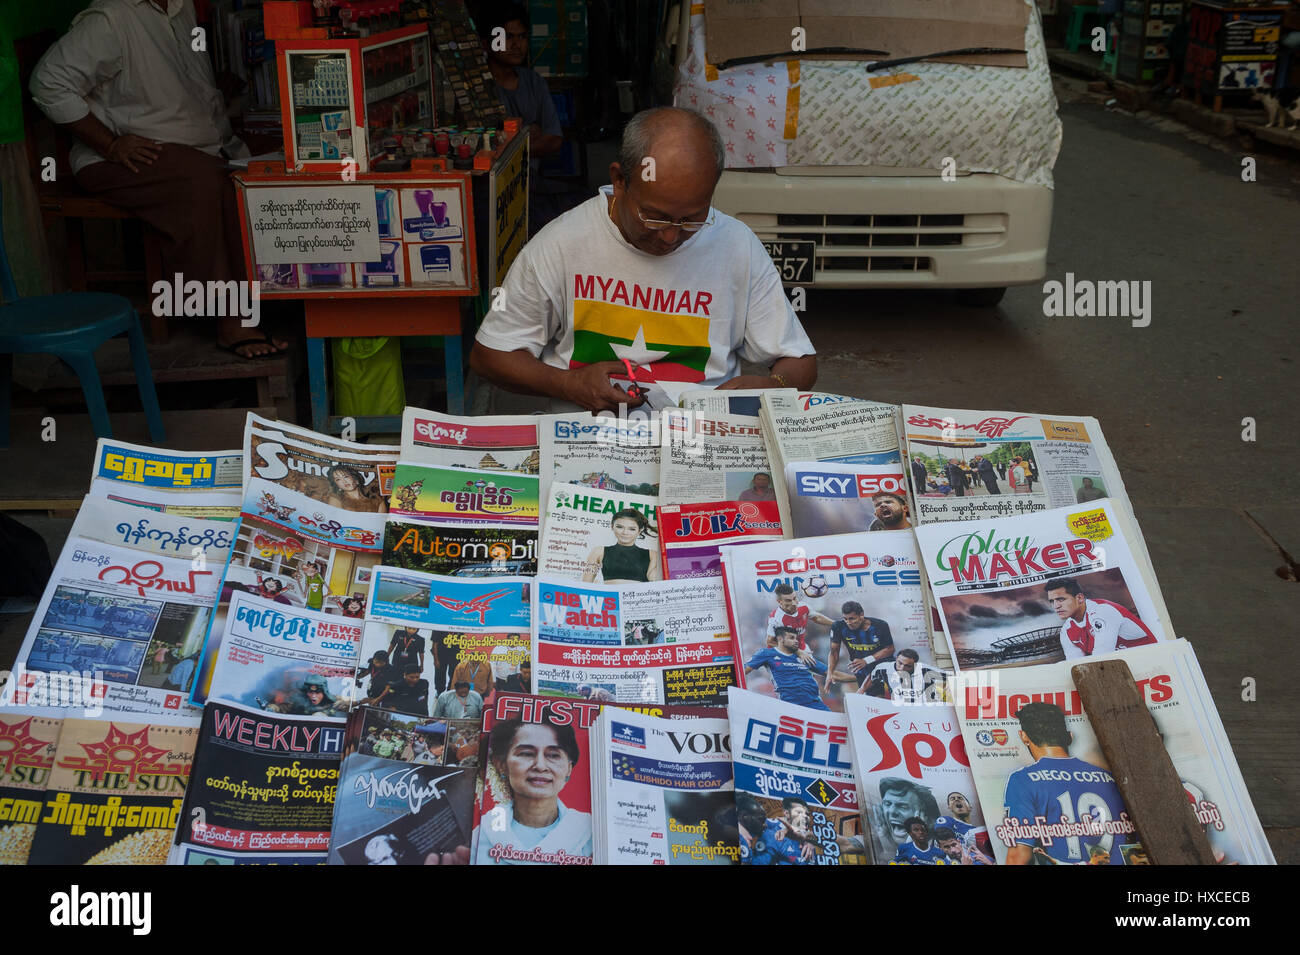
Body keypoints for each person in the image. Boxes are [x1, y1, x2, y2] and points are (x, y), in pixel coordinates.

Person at [470, 106, 817, 412]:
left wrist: (776, 386)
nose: (670, 236)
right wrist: (568, 385)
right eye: (654, 217)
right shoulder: (561, 243)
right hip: (588, 437)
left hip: (700, 443)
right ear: (619, 180)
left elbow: (800, 360)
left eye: (692, 219)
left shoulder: (736, 244)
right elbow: (490, 356)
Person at [28, 0, 288, 359]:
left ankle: (270, 303)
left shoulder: (179, 8)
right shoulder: (111, 16)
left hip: (194, 147)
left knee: (259, 169)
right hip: (121, 156)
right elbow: (47, 82)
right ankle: (230, 321)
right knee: (207, 183)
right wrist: (111, 144)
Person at [1003, 702, 1130, 865]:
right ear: (1069, 736)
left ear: (1023, 736)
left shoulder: (1022, 779)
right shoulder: (1108, 776)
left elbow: (1019, 856)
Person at [474, 715, 592, 864]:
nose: (540, 766)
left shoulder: (590, 833)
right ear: (501, 765)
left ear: (569, 768)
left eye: (553, 755)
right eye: (526, 753)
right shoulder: (481, 835)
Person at [1045, 578, 1157, 660]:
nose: (1056, 606)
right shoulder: (1066, 630)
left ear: (1079, 598)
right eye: (1052, 601)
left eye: (1060, 599)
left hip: (1153, 661)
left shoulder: (1102, 611)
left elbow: (1102, 658)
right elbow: (1076, 665)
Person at [744, 626, 831, 711]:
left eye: (796, 638)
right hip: (790, 705)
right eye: (792, 638)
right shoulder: (766, 653)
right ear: (780, 639)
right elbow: (744, 670)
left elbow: (830, 672)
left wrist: (845, 677)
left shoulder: (803, 656)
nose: (796, 641)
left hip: (814, 703)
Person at [826, 601, 894, 691]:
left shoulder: (880, 625)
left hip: (883, 665)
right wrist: (830, 673)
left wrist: (866, 660)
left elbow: (890, 649)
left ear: (861, 615)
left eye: (852, 619)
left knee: (894, 698)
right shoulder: (838, 626)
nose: (848, 622)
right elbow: (834, 652)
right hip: (862, 669)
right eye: (845, 619)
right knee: (873, 701)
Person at [582, 509, 661, 585]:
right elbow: (585, 584)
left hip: (639, 597)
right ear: (612, 527)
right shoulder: (598, 551)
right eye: (620, 527)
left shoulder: (652, 554)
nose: (625, 532)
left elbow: (655, 583)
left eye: (632, 529)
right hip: (610, 597)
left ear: (639, 531)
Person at [763, 583, 831, 660]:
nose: (793, 603)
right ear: (779, 601)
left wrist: (835, 623)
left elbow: (817, 617)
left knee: (823, 671)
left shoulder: (803, 607)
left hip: (802, 648)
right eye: (788, 600)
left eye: (794, 598)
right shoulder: (776, 619)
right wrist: (797, 652)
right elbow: (769, 642)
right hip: (782, 653)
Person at [863, 648, 950, 703]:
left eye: (907, 666)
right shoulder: (883, 668)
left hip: (924, 708)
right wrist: (861, 690)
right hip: (899, 708)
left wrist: (947, 689)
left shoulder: (926, 670)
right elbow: (872, 677)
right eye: (900, 663)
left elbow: (951, 677)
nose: (901, 668)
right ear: (896, 658)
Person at [747, 798, 815, 866]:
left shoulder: (809, 839)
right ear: (787, 813)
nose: (805, 816)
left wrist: (808, 839)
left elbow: (809, 834)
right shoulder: (772, 830)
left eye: (807, 814)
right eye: (799, 812)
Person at [877, 778, 940, 848]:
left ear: (928, 818)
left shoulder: (944, 847)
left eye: (903, 806)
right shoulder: (881, 840)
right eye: (887, 804)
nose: (892, 811)